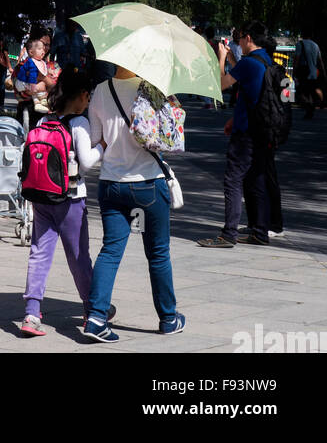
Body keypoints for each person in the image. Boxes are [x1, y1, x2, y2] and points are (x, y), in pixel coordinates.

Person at [83, 64, 184, 341]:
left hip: (111, 183)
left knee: (111, 251)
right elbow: (167, 136)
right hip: (148, 183)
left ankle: (95, 318)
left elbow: (95, 139)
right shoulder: (152, 88)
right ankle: (168, 318)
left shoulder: (101, 91)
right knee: (158, 253)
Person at [21, 70, 105, 337]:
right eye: (88, 97)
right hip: (71, 199)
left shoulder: (44, 119)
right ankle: (92, 310)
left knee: (39, 253)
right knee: (78, 257)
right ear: (82, 96)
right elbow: (88, 162)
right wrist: (102, 144)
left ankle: (32, 313)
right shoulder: (79, 123)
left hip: (41, 197)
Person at [197, 19, 273, 248]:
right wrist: (232, 59)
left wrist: (220, 59)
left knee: (233, 180)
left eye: (239, 38)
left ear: (248, 38)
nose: (238, 41)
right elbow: (249, 88)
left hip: (245, 134)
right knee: (255, 179)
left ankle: (228, 234)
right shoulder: (264, 60)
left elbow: (220, 85)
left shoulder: (249, 63)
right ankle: (260, 231)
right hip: (262, 130)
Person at [244, 38, 286, 240]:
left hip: (266, 127)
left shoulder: (267, 70)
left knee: (266, 175)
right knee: (256, 175)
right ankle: (257, 222)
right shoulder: (281, 72)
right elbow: (289, 100)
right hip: (273, 126)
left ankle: (274, 224)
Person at [13, 37, 60, 130]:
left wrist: (43, 78)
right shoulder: (22, 66)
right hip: (27, 114)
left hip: (48, 116)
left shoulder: (54, 66)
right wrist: (40, 88)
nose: (44, 48)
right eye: (42, 45)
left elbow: (57, 91)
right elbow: (19, 93)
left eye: (47, 45)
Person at [295, 29, 324, 119]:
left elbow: (297, 58)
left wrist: (295, 70)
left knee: (300, 91)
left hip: (304, 71)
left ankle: (309, 106)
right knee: (312, 89)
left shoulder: (300, 44)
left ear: (303, 35)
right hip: (314, 71)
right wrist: (323, 71)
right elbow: (320, 60)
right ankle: (318, 103)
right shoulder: (316, 45)